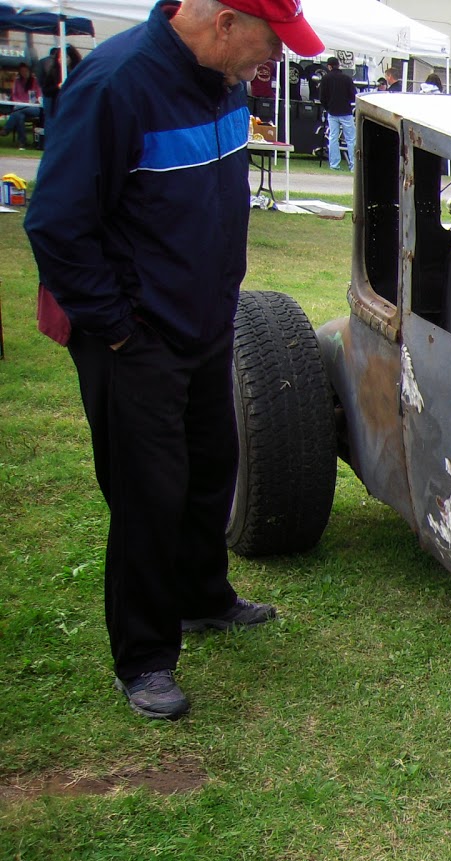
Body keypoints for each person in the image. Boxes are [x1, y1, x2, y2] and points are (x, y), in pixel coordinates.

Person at [25, 0, 327, 719]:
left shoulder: (222, 81)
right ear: (224, 21)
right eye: (268, 41)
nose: (273, 59)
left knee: (210, 465)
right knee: (147, 494)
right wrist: (118, 329)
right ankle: (145, 658)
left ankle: (202, 598)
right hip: (136, 337)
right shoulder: (115, 86)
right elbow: (56, 222)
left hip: (204, 322)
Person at [318, 55, 356, 169]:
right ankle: (353, 165)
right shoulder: (347, 78)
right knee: (350, 139)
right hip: (346, 111)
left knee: (333, 138)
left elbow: (322, 97)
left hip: (332, 111)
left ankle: (334, 164)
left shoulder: (325, 79)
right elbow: (353, 95)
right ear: (338, 66)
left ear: (329, 67)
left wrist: (327, 107)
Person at [4, 62, 42, 145]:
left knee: (17, 111)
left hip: (33, 108)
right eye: (22, 71)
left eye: (26, 71)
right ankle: (22, 142)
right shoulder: (17, 82)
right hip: (20, 107)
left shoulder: (35, 82)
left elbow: (39, 96)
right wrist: (20, 103)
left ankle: (7, 129)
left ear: (29, 71)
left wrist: (34, 101)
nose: (24, 73)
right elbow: (14, 95)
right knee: (19, 116)